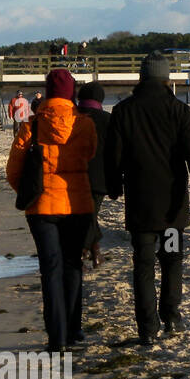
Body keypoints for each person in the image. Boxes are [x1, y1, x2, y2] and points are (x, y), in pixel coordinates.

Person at [105, 52, 190, 345]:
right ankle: (171, 316)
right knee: (171, 260)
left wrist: (114, 186)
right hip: (171, 207)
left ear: (142, 77)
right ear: (167, 78)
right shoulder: (180, 111)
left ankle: (147, 328)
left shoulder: (123, 112)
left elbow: (113, 157)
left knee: (143, 265)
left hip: (141, 206)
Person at [6, 68, 97, 351]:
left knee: (51, 270)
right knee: (73, 266)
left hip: (42, 208)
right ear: (71, 94)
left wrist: (31, 193)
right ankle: (72, 331)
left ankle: (56, 339)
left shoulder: (31, 126)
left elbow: (13, 172)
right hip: (78, 204)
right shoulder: (85, 125)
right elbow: (92, 159)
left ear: (46, 92)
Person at [77, 82, 110, 268]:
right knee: (90, 215)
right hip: (100, 177)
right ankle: (93, 252)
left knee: (86, 216)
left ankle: (86, 251)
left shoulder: (72, 117)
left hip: (75, 174)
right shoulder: (107, 119)